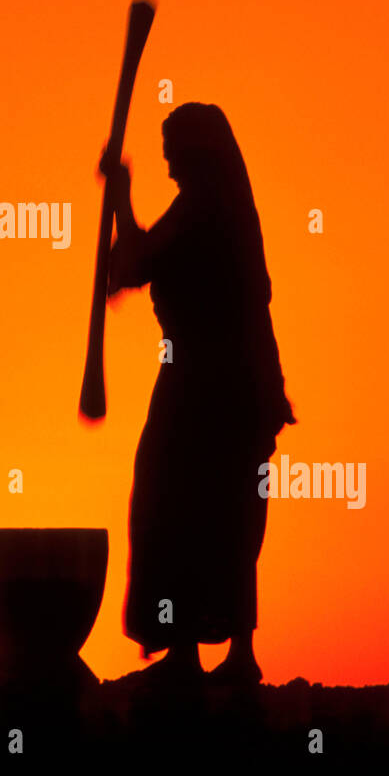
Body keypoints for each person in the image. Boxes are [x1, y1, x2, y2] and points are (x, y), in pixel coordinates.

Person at [101, 103, 295, 686]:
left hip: (205, 382)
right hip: (231, 381)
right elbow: (138, 261)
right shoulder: (216, 204)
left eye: (173, 146)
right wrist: (123, 200)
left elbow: (135, 263)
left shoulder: (207, 207)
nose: (166, 158)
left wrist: (121, 195)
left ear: (197, 150)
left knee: (178, 506)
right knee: (224, 512)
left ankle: (193, 653)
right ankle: (226, 652)